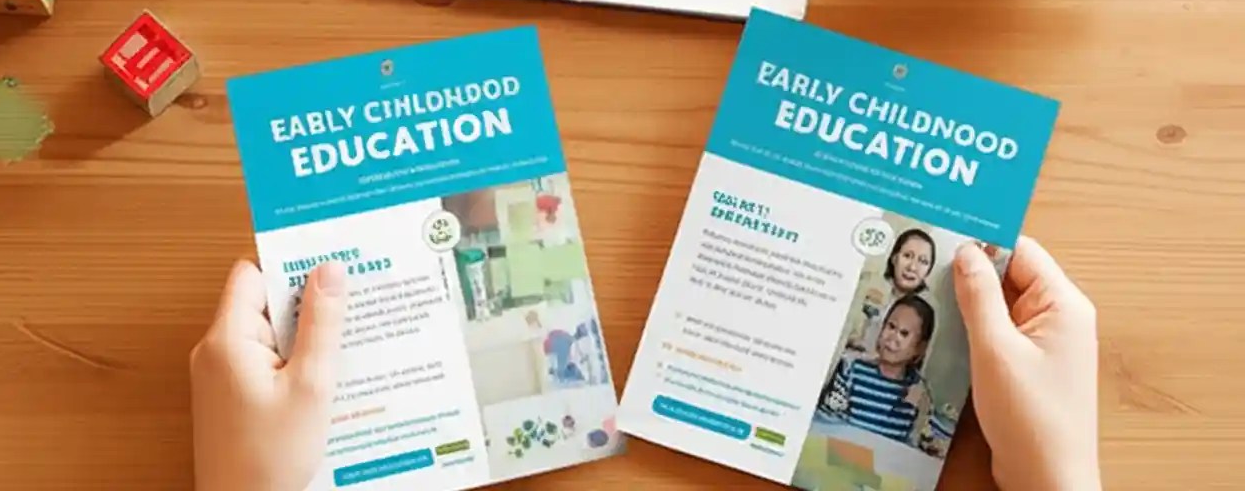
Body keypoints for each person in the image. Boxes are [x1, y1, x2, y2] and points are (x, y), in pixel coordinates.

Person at [190, 236, 1100, 491]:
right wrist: (1061, 476)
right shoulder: (854, 357)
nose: (896, 329)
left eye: (910, 324)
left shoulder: (913, 391)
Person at [825, 295, 937, 444]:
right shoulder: (852, 369)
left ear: (920, 347)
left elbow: (922, 438)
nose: (893, 337)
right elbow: (827, 420)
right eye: (891, 326)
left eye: (904, 334)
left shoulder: (918, 390)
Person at [844, 228, 936, 351]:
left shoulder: (928, 308)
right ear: (894, 258)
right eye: (907, 256)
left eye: (923, 261)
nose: (912, 267)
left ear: (928, 271)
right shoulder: (868, 284)